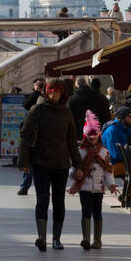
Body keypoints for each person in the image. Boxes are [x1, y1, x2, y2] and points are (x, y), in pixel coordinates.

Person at [17, 77, 81, 251]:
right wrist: (23, 161)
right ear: (47, 91)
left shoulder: (66, 112)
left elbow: (71, 141)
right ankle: (42, 237)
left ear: (62, 92)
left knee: (59, 201)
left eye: (57, 90)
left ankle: (57, 239)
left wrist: (79, 165)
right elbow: (25, 135)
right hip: (41, 162)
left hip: (61, 163)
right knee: (42, 199)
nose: (54, 94)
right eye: (51, 91)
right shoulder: (38, 109)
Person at [69, 110, 118, 250]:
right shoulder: (80, 151)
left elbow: (108, 171)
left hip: (99, 188)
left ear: (99, 136)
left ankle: (97, 240)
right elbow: (72, 168)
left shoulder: (104, 152)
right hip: (84, 187)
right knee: (86, 211)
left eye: (95, 137)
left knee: (97, 212)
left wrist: (112, 184)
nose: (92, 140)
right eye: (90, 138)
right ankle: (85, 238)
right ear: (85, 136)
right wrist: (74, 174)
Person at [16, 78, 47, 195]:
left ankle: (42, 187)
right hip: (32, 135)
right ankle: (25, 186)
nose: (39, 87)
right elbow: (26, 105)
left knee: (42, 165)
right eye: (38, 85)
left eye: (41, 85)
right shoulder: (34, 97)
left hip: (43, 136)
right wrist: (37, 92)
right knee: (29, 163)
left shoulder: (48, 98)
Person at [102, 106, 131, 180]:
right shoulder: (112, 130)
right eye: (130, 117)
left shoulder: (123, 129)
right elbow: (115, 155)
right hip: (110, 166)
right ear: (122, 118)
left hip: (118, 163)